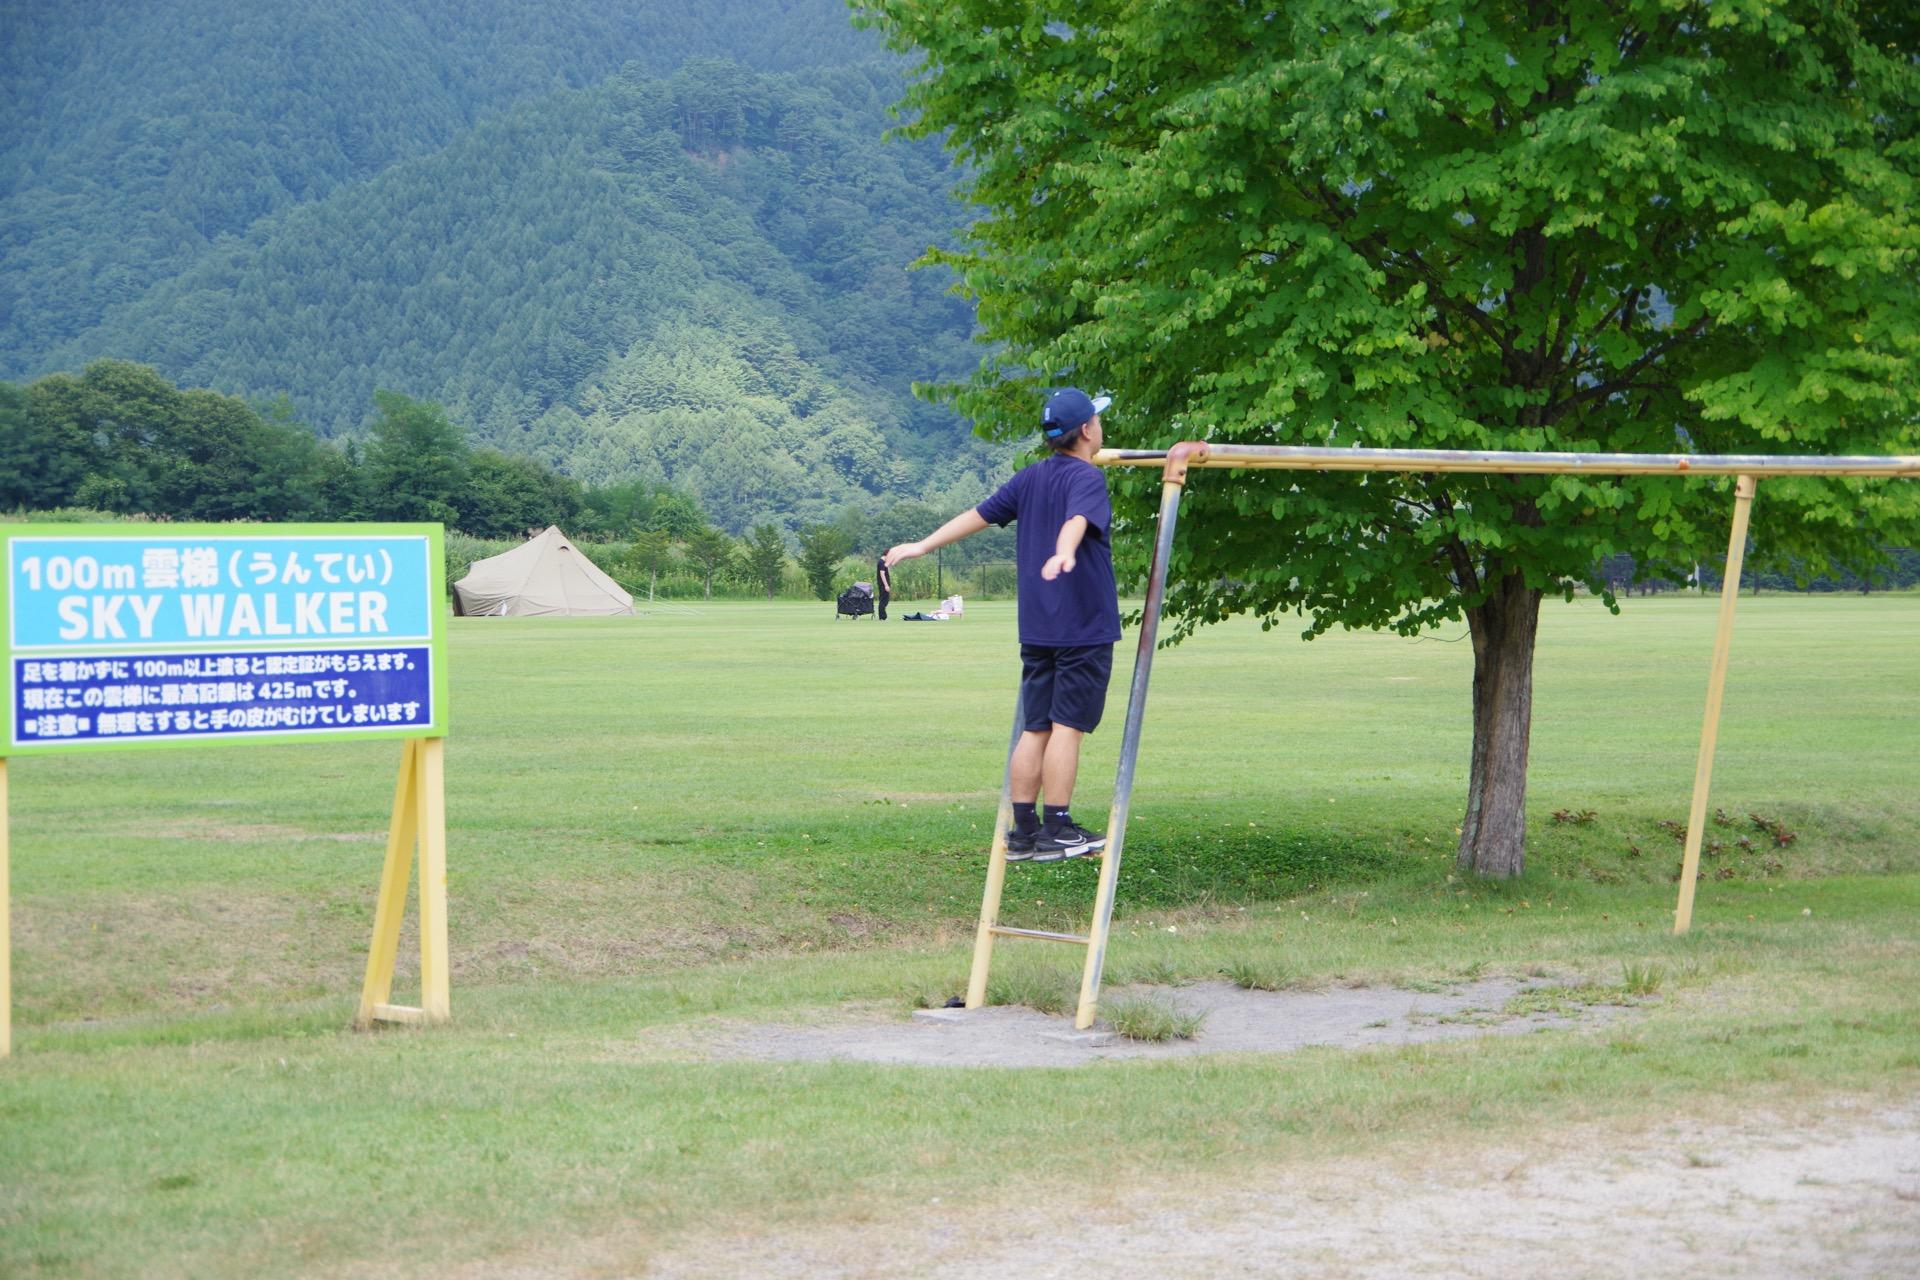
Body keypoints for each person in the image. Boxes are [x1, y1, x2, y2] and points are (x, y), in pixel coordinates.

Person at [885, 387, 1119, 863]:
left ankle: (1024, 831)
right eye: (1097, 421)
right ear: (1088, 431)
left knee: (1036, 728)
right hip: (1082, 629)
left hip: (1037, 630)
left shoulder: (1029, 478)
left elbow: (978, 515)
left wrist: (922, 545)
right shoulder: (1087, 477)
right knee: (1067, 727)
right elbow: (1077, 519)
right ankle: (1057, 827)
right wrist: (1066, 550)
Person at [874, 555, 891, 621]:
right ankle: (882, 617)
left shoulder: (882, 562)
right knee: (884, 601)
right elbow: (882, 574)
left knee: (884, 600)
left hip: (883, 584)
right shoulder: (881, 563)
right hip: (883, 585)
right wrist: (886, 585)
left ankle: (882, 616)